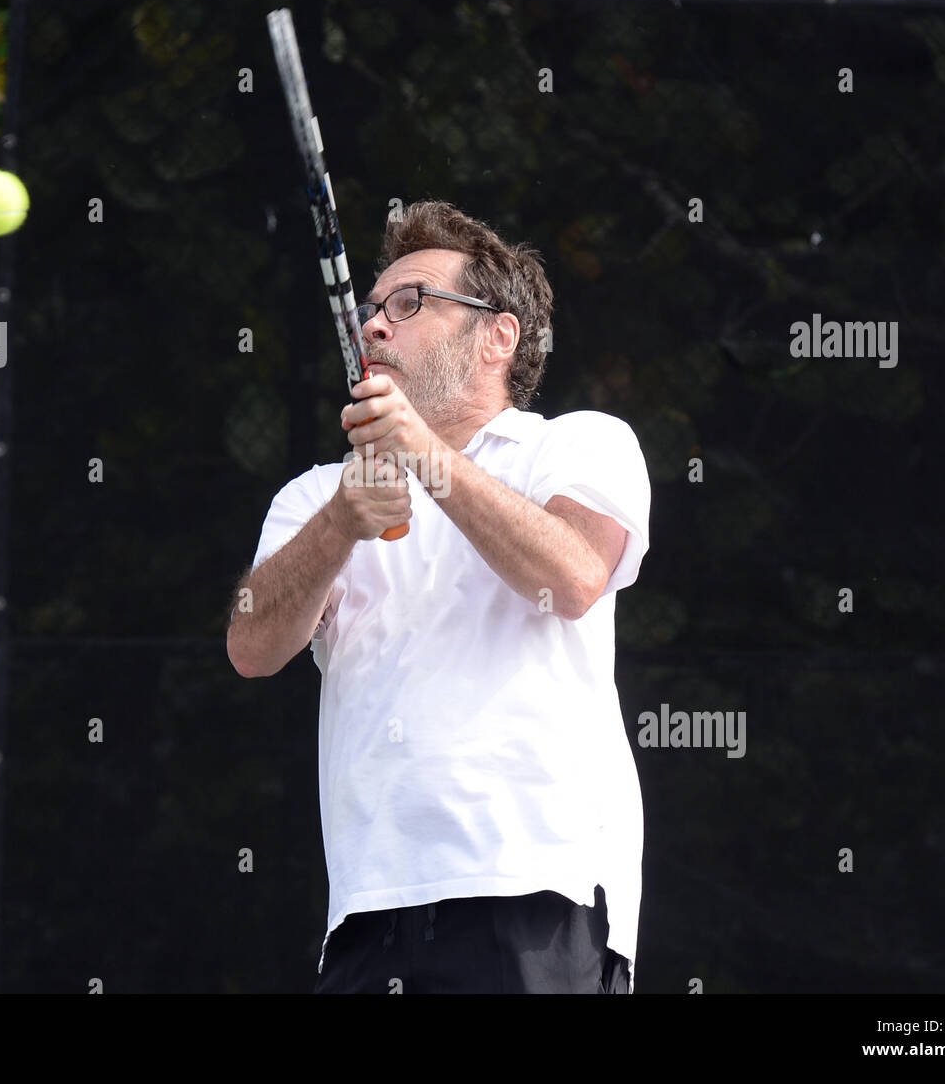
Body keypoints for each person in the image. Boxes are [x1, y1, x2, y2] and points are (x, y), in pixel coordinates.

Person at [226, 201, 650, 994]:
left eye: (410, 302)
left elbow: (572, 576)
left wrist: (423, 454)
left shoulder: (577, 444)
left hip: (535, 893)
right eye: (371, 309)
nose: (375, 327)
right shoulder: (319, 495)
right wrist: (343, 522)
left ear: (498, 334)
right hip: (367, 913)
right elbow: (252, 648)